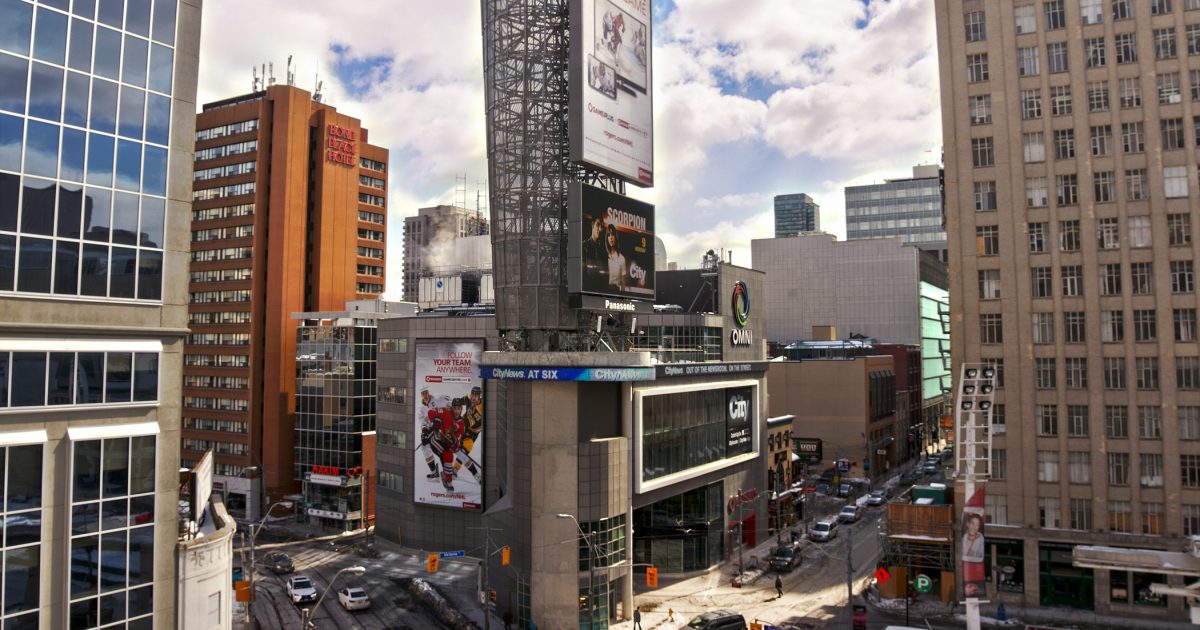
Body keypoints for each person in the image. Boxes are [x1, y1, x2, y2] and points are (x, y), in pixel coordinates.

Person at [453, 386, 484, 481]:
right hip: (464, 423)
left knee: (464, 449)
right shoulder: (469, 398)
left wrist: (458, 423)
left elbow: (471, 423)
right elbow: (460, 402)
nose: (473, 397)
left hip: (472, 432)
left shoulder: (481, 409)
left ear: (480, 396)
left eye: (476, 395)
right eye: (472, 395)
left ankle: (455, 470)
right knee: (455, 445)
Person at [604, 224, 627, 290]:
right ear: (607, 238)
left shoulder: (621, 258)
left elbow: (623, 286)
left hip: (615, 294)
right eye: (609, 235)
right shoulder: (603, 256)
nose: (611, 237)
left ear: (615, 237)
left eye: (612, 234)